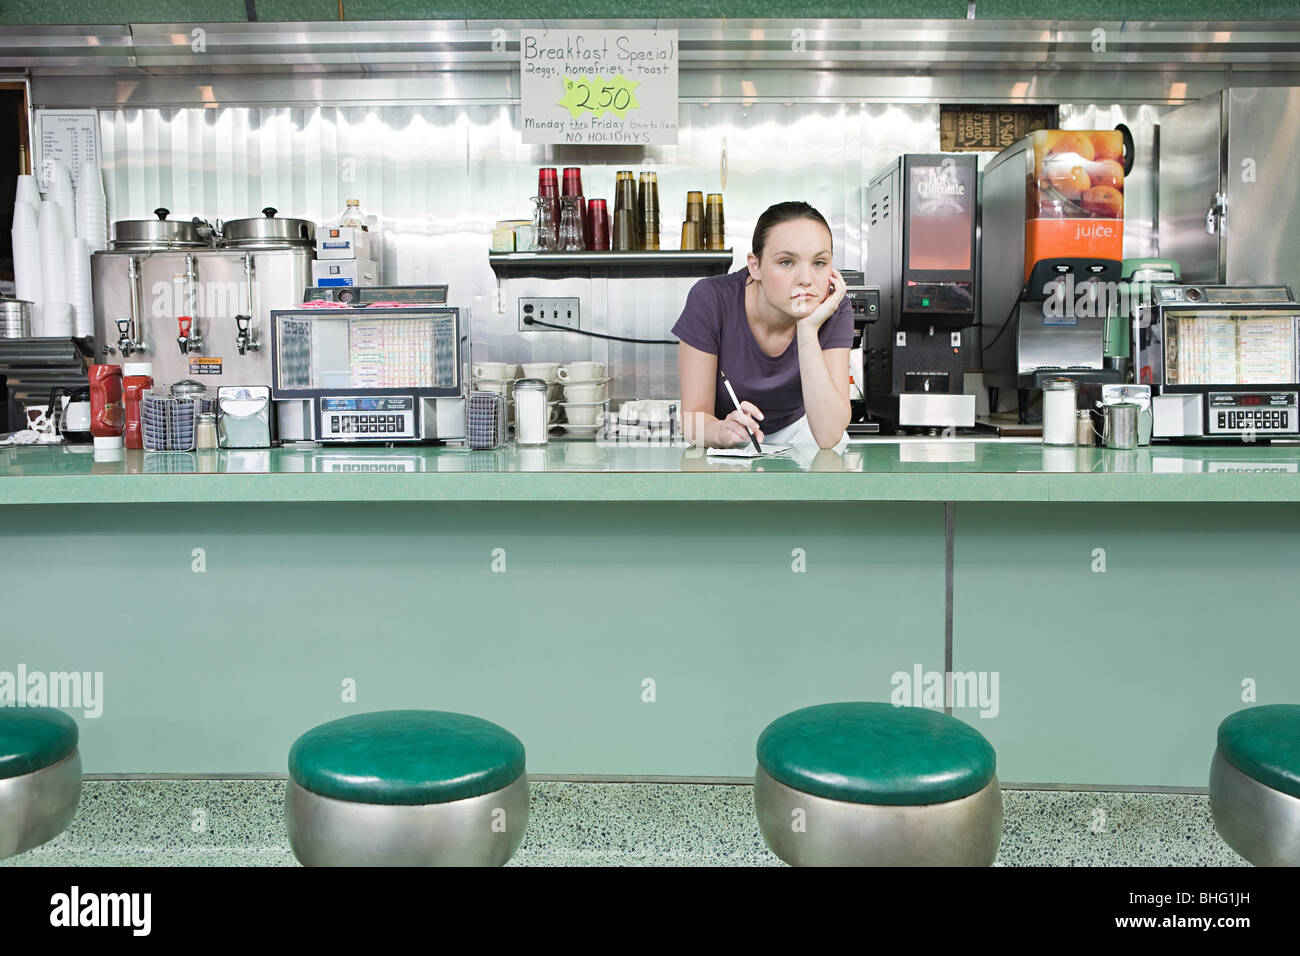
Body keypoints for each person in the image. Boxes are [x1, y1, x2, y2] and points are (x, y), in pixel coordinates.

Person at [672, 201, 853, 452]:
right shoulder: (710, 299)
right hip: (728, 434)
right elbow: (693, 420)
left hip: (804, 432)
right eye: (787, 262)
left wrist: (808, 329)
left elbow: (828, 435)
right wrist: (721, 432)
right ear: (755, 266)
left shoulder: (834, 308)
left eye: (819, 263)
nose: (806, 279)